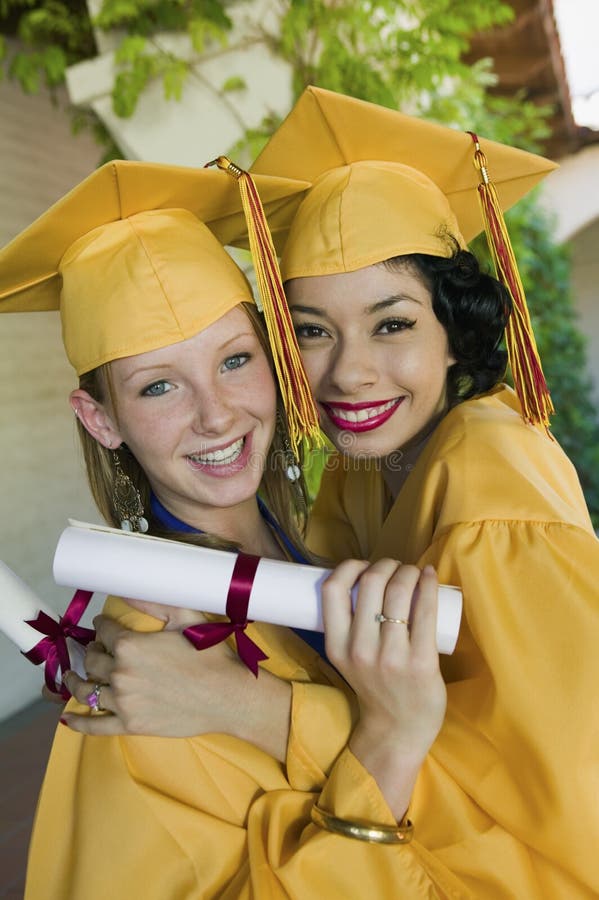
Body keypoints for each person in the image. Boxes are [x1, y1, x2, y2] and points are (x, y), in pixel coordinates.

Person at [64, 87, 598, 898]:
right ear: (101, 420)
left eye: (392, 323)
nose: (349, 373)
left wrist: (260, 712)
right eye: (313, 330)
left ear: (455, 334)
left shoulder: (491, 503)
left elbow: (548, 815)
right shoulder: (349, 488)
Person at [0, 158, 444, 899]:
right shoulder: (146, 668)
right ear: (101, 420)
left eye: (235, 360)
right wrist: (388, 743)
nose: (216, 415)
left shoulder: (332, 537)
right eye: (159, 386)